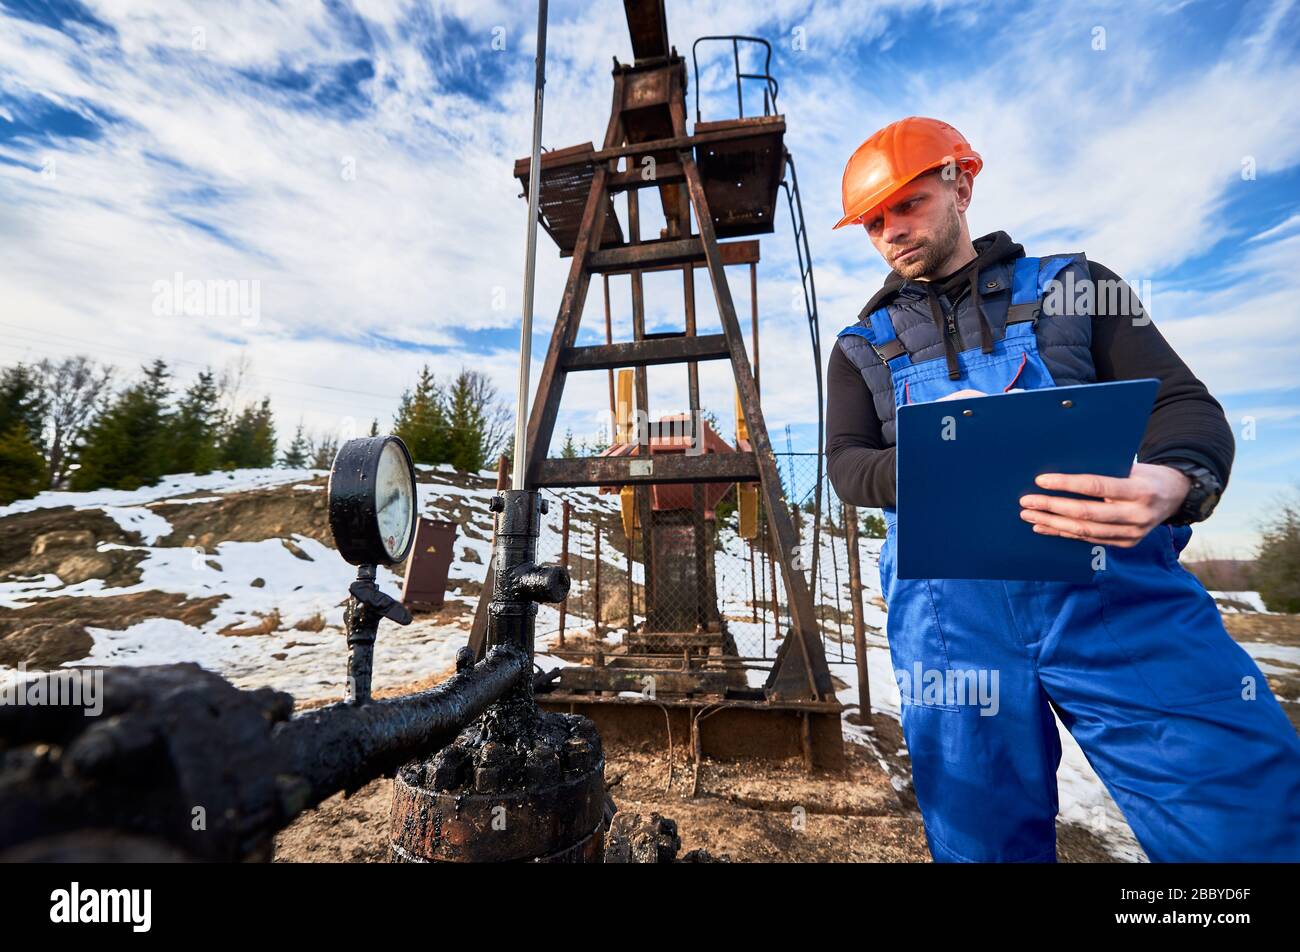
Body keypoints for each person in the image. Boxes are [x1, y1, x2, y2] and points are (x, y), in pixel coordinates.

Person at [826, 116, 1300, 862]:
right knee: (979, 844)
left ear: (962, 184)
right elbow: (847, 465)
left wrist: (1172, 481)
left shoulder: (1075, 290)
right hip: (955, 630)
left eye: (909, 204)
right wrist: (946, 455)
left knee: (1239, 821)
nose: (891, 232)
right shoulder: (862, 347)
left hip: (1114, 597)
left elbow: (1186, 409)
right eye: (873, 221)